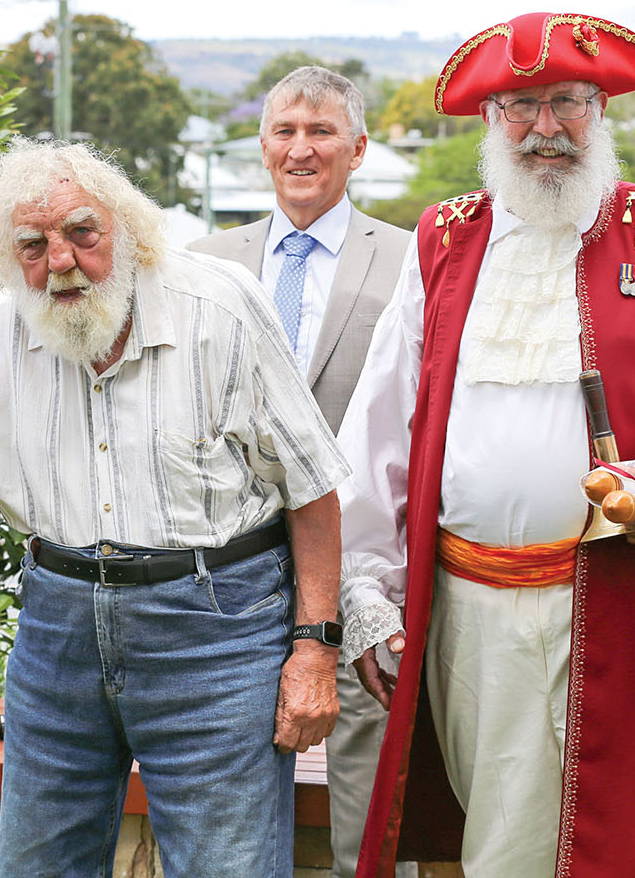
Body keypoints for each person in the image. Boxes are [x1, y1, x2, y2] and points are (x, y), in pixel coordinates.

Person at [336, 13, 635, 878]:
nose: (545, 128)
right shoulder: (441, 241)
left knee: (631, 840)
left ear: (600, 112)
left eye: (567, 104)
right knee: (498, 841)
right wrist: (368, 589)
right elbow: (378, 436)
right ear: (489, 122)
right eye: (520, 106)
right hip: (465, 616)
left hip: (625, 609)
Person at [0, 137, 349, 877]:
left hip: (217, 635)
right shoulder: (1, 330)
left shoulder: (218, 306)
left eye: (81, 233)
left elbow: (313, 489)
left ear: (126, 231)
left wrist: (314, 650)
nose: (60, 260)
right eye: (32, 245)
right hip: (57, 632)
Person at [190, 65, 414, 878]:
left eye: (320, 132)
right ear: (263, 147)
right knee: (229, 796)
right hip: (230, 572)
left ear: (357, 148)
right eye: (285, 131)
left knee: (368, 791)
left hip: (359, 567)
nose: (301, 148)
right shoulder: (205, 264)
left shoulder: (415, 261)